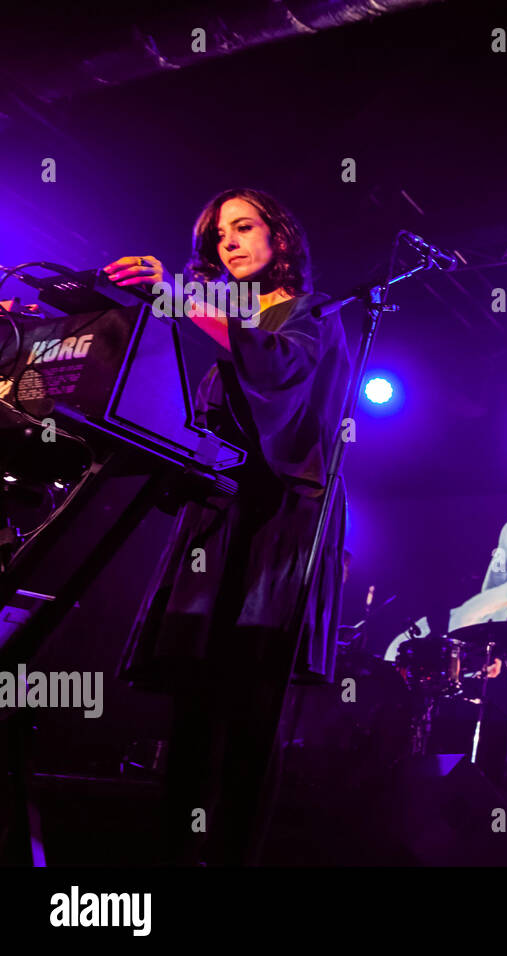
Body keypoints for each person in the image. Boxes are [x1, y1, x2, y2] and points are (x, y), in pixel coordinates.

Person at [108, 187, 352, 865]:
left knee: (250, 711)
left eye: (244, 228)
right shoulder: (224, 325)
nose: (229, 243)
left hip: (280, 525)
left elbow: (274, 371)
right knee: (192, 701)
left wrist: (180, 295)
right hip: (217, 521)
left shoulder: (312, 314)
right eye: (219, 236)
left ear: (281, 238)